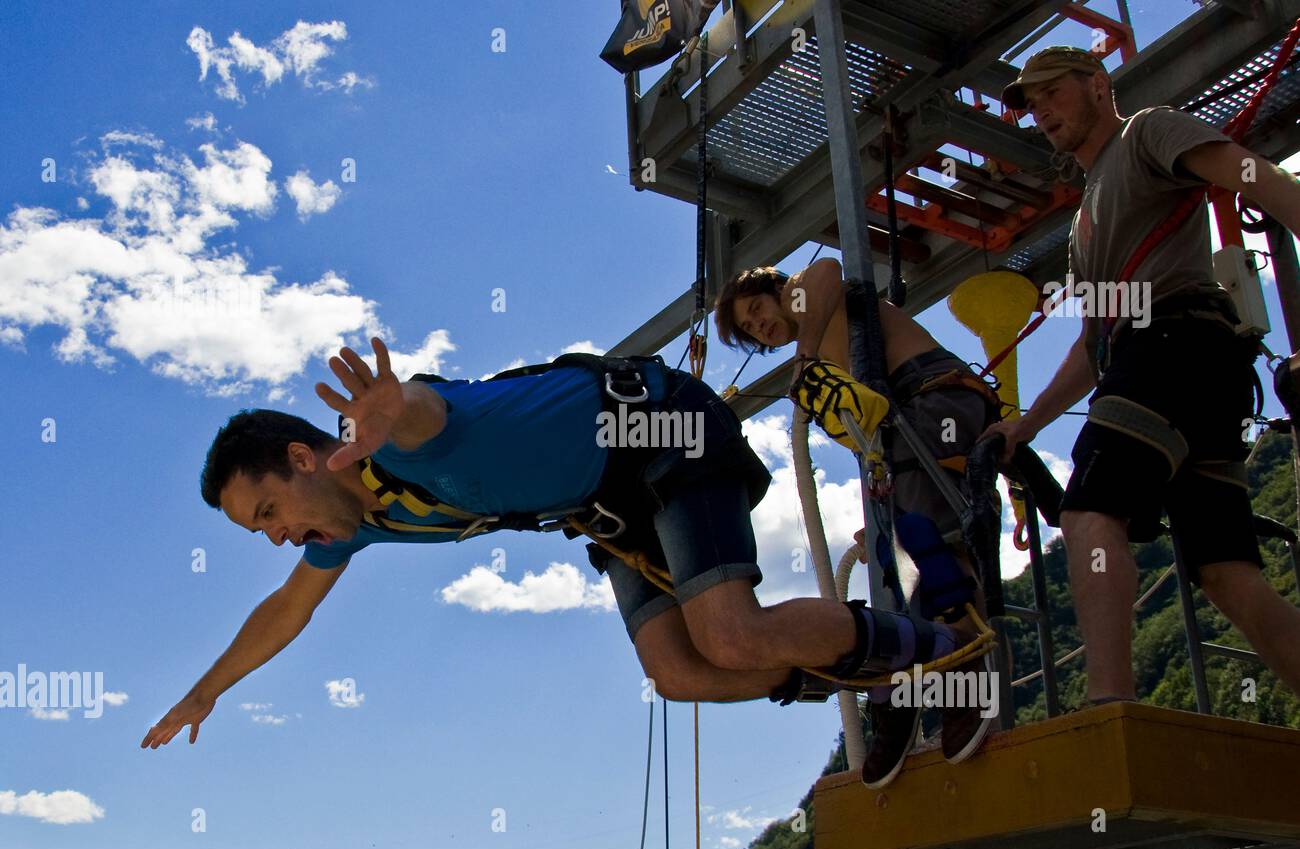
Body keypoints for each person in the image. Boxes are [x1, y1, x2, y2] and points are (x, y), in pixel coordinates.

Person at [141, 336, 989, 788]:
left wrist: (390, 410)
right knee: (680, 674)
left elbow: (430, 415)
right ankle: (877, 677)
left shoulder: (395, 451)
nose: (281, 537)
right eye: (262, 534)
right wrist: (204, 690)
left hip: (663, 435)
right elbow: (287, 609)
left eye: (269, 513)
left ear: (300, 459)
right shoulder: (356, 526)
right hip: (609, 509)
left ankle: (947, 649)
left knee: (728, 636)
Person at [983, 46, 1300, 703]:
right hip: (1182, 367)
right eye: (1031, 103)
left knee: (1089, 515)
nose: (1042, 110)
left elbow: (1247, 173)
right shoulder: (1083, 228)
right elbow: (1093, 345)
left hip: (1172, 344)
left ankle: (1109, 710)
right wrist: (1027, 425)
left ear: (1098, 86)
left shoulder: (1145, 132)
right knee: (1225, 570)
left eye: (1053, 93)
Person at [714, 258, 1005, 781]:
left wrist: (803, 358)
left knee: (935, 544)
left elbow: (827, 269)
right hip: (903, 425)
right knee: (905, 559)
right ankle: (902, 692)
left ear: (778, 289)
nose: (761, 326)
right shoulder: (827, 340)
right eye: (752, 329)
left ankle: (964, 678)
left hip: (929, 395)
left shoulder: (809, 301)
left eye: (758, 309)